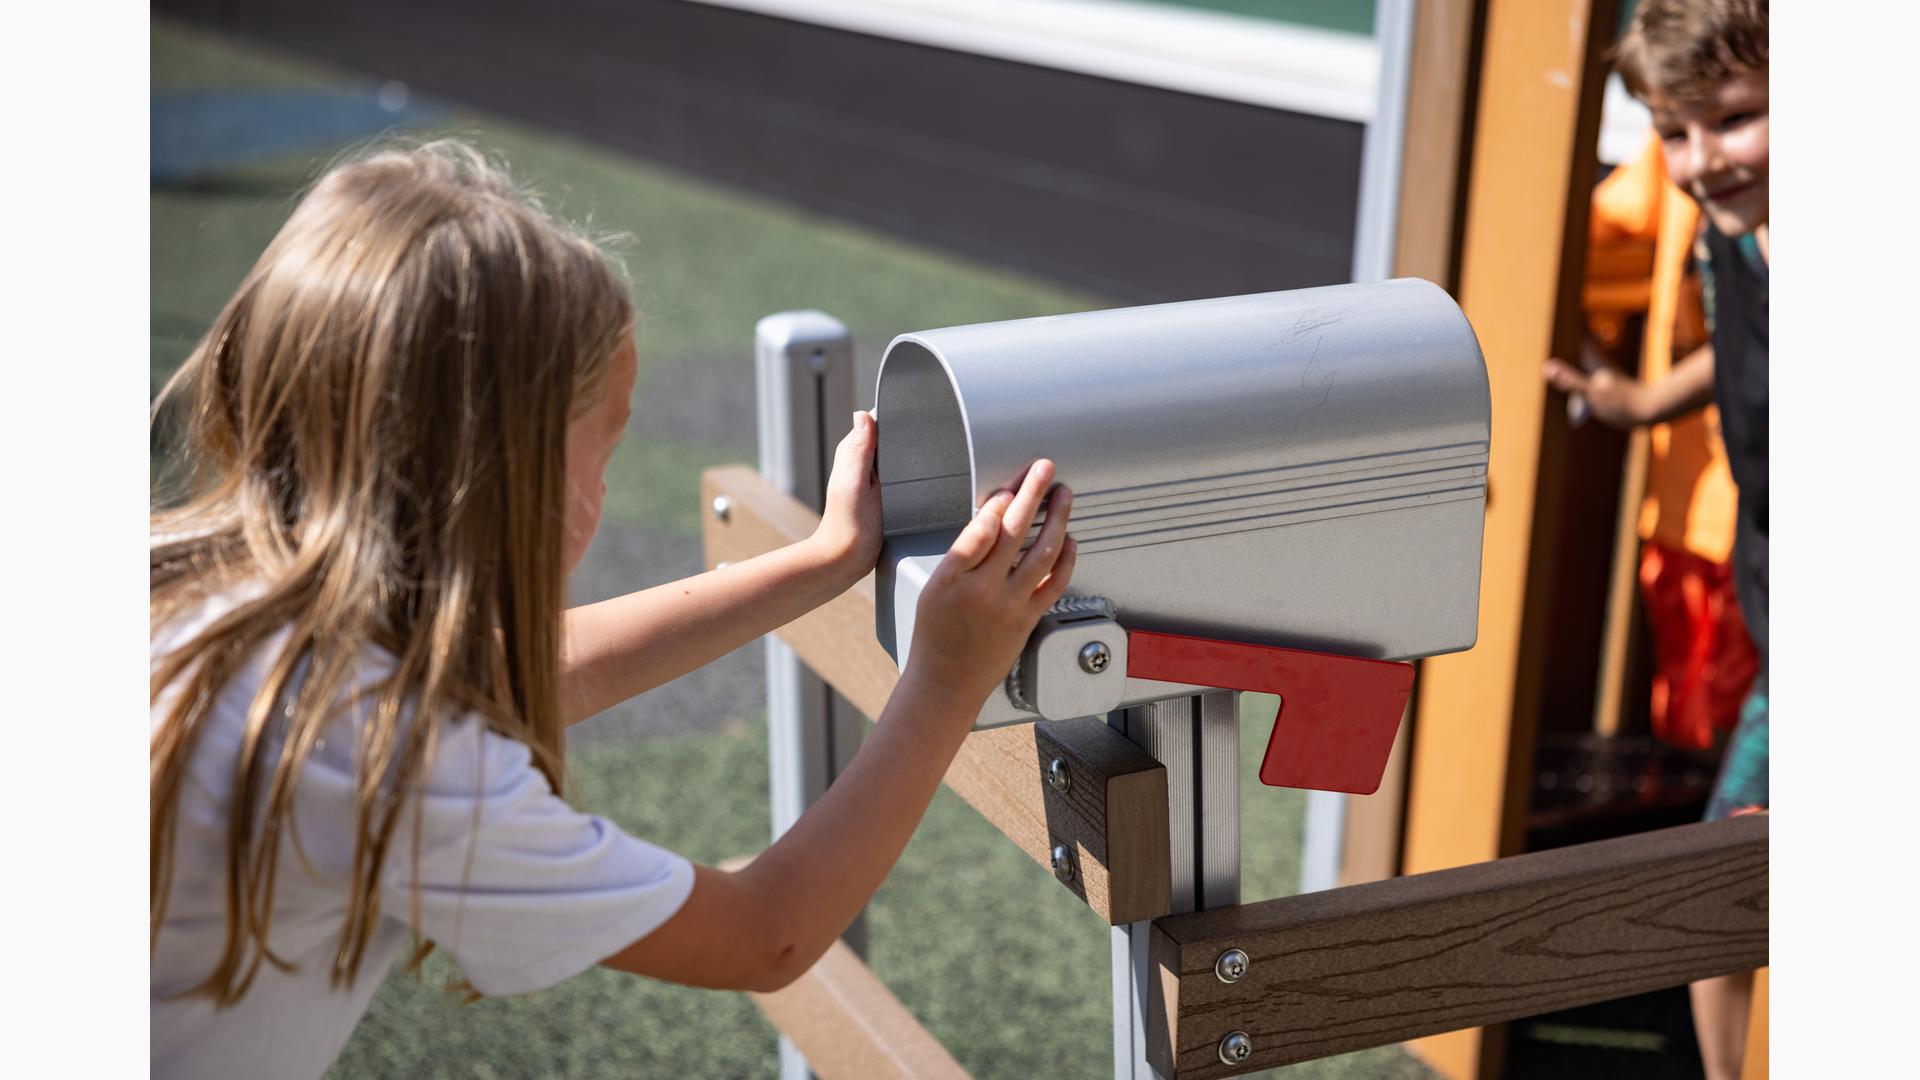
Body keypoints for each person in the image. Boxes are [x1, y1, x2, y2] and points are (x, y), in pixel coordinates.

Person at [150, 141, 1079, 1080]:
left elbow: (515, 675)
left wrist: (823, 561)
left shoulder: (186, 587)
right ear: (509, 472)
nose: (604, 480)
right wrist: (948, 677)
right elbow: (768, 934)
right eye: (605, 440)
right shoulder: (394, 757)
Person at [1542, 3, 1767, 1077]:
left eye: (1735, 120)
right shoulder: (1734, 240)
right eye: (1675, 132)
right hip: (1773, 595)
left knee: (1719, 877)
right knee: (1721, 882)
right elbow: (1735, 351)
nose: (1702, 160)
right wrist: (1638, 402)